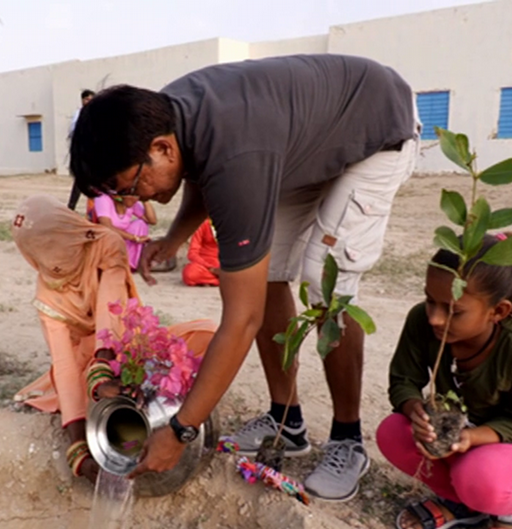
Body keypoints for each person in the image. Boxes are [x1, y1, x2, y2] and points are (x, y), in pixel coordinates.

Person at [69, 54, 420, 500]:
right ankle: (286, 420)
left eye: (130, 186)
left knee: (325, 284)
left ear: (161, 148)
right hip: (303, 143)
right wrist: (175, 237)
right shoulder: (170, 116)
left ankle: (347, 439)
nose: (132, 200)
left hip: (375, 128)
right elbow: (198, 172)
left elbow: (242, 319)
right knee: (269, 271)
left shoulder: (237, 155)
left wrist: (180, 430)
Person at [10, 194, 215, 484]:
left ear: (70, 229)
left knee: (207, 335)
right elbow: (65, 366)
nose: (54, 257)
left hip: (127, 346)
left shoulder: (105, 243)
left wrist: (103, 368)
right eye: (43, 251)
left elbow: (111, 308)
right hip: (86, 370)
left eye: (58, 243)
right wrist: (78, 450)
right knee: (76, 393)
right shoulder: (47, 295)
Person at [377, 234, 512, 529]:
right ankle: (461, 503)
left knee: (482, 476)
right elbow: (403, 380)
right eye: (429, 301)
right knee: (393, 432)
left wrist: (469, 438)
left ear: (498, 311)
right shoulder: (421, 321)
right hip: (459, 435)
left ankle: (510, 508)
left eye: (453, 310)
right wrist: (414, 410)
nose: (435, 318)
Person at [92, 193, 156, 271]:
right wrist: (135, 238)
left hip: (123, 239)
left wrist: (145, 200)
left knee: (141, 223)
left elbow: (152, 220)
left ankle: (131, 263)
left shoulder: (131, 202)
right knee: (108, 233)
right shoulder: (103, 199)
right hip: (106, 241)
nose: (136, 199)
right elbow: (107, 226)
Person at [66, 89, 96, 211]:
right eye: (87, 99)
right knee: (80, 180)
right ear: (82, 100)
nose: (89, 102)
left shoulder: (96, 115)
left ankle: (95, 209)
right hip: (83, 151)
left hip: (94, 151)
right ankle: (71, 206)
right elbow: (74, 132)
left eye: (91, 99)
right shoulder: (79, 114)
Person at [182, 219, 220, 287]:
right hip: (205, 265)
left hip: (226, 264)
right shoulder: (203, 224)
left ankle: (216, 280)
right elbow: (192, 253)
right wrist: (211, 268)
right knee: (189, 274)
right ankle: (222, 280)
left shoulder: (233, 224)